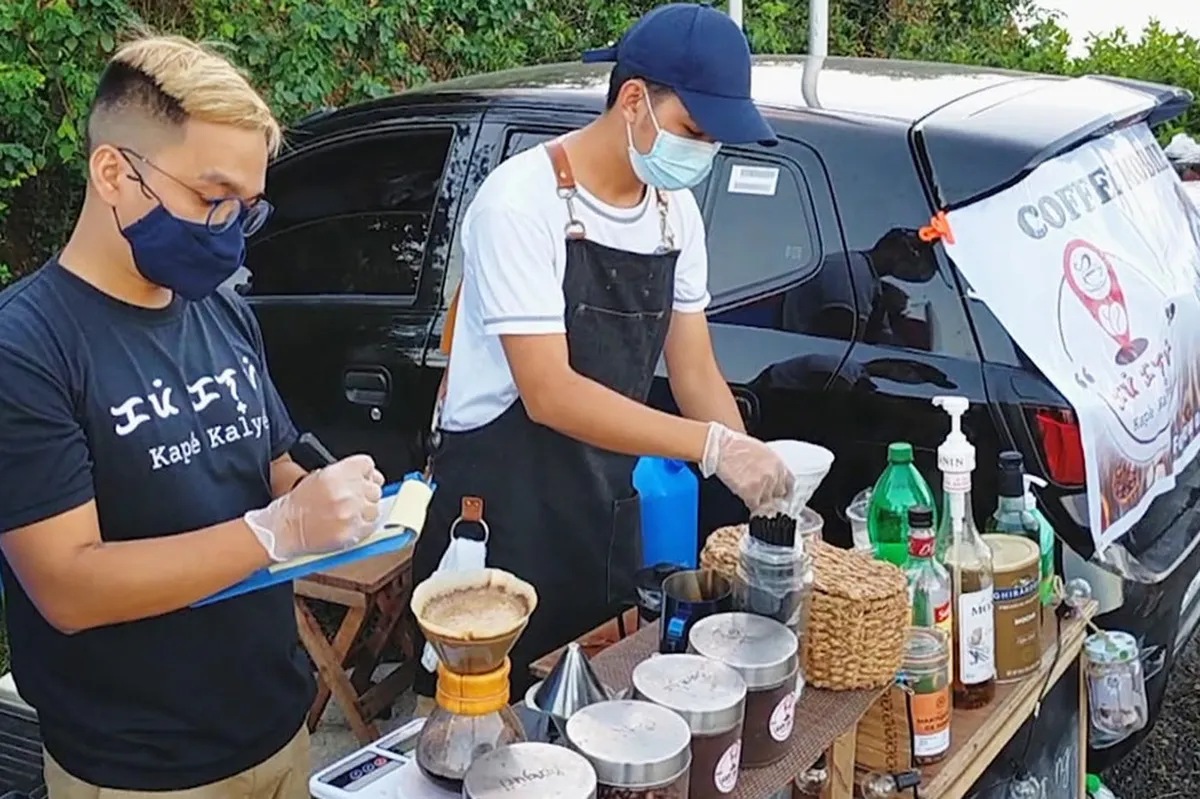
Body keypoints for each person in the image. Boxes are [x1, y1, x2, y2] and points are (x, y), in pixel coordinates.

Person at [0, 36, 384, 797]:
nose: (229, 232)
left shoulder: (218, 309)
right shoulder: (27, 345)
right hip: (139, 765)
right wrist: (272, 532)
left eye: (246, 207)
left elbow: (270, 459)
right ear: (115, 172)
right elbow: (68, 586)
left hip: (275, 726)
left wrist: (332, 496)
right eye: (211, 200)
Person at [413, 2, 794, 707]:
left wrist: (758, 473)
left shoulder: (671, 214)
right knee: (490, 737)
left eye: (714, 139)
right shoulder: (520, 203)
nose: (702, 152)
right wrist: (710, 446)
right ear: (632, 101)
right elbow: (549, 391)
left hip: (601, 513)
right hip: (505, 513)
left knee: (598, 716)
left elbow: (694, 370)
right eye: (692, 130)